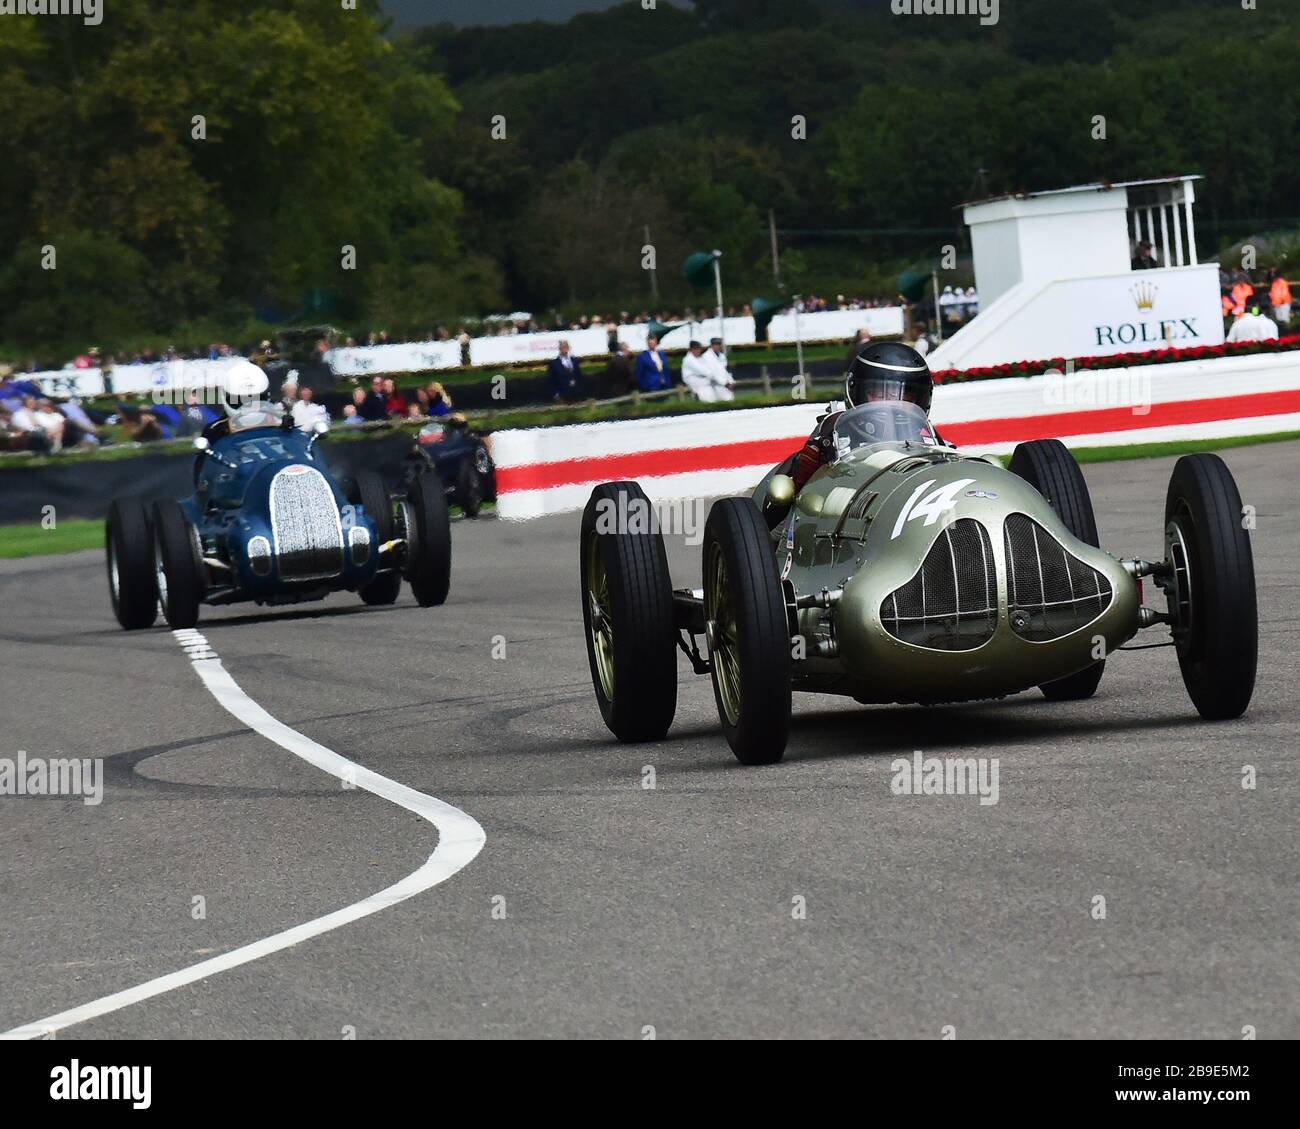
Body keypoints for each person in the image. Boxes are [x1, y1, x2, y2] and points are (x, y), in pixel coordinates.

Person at [763, 341, 938, 528]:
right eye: (879, 394)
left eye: (906, 397)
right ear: (856, 390)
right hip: (838, 519)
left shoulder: (927, 433)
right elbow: (789, 496)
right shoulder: (831, 429)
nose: (892, 404)